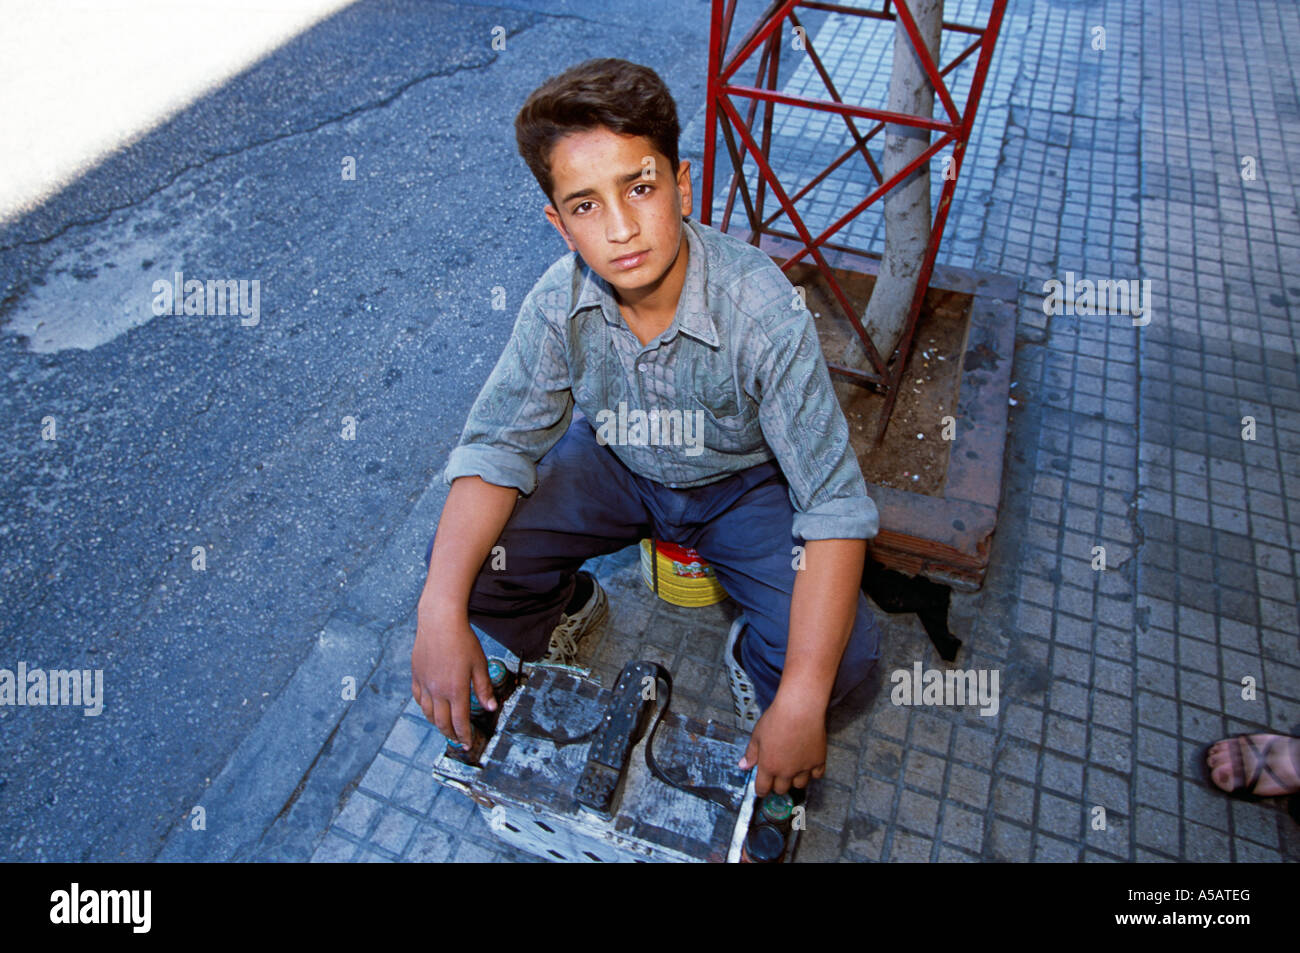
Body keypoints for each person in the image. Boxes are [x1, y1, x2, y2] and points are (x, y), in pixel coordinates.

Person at [411, 58, 882, 798]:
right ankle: (567, 612)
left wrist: (798, 696)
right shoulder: (555, 304)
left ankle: (762, 672)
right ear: (559, 224)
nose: (623, 228)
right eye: (586, 205)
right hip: (617, 463)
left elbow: (835, 506)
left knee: (842, 660)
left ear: (682, 184)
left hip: (741, 487)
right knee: (461, 562)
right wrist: (436, 609)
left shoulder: (760, 308)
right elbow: (498, 445)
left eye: (640, 186)